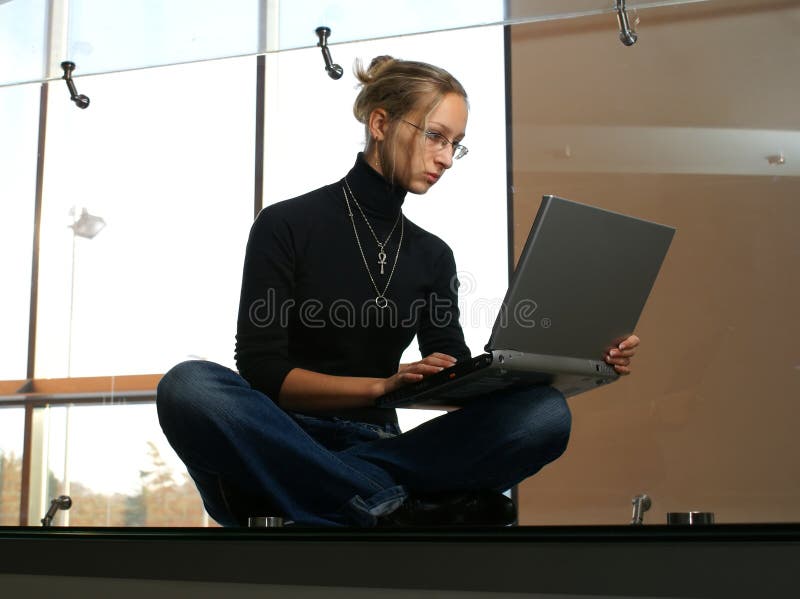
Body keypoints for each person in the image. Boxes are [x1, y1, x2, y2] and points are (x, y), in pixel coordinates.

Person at [156, 56, 640, 527]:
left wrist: (573, 362)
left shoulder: (433, 255)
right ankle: (400, 504)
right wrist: (381, 386)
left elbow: (450, 373)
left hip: (385, 450)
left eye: (456, 144)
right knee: (189, 386)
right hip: (284, 439)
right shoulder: (286, 224)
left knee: (545, 415)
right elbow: (261, 371)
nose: (447, 159)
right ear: (381, 123)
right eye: (435, 136)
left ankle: (360, 497)